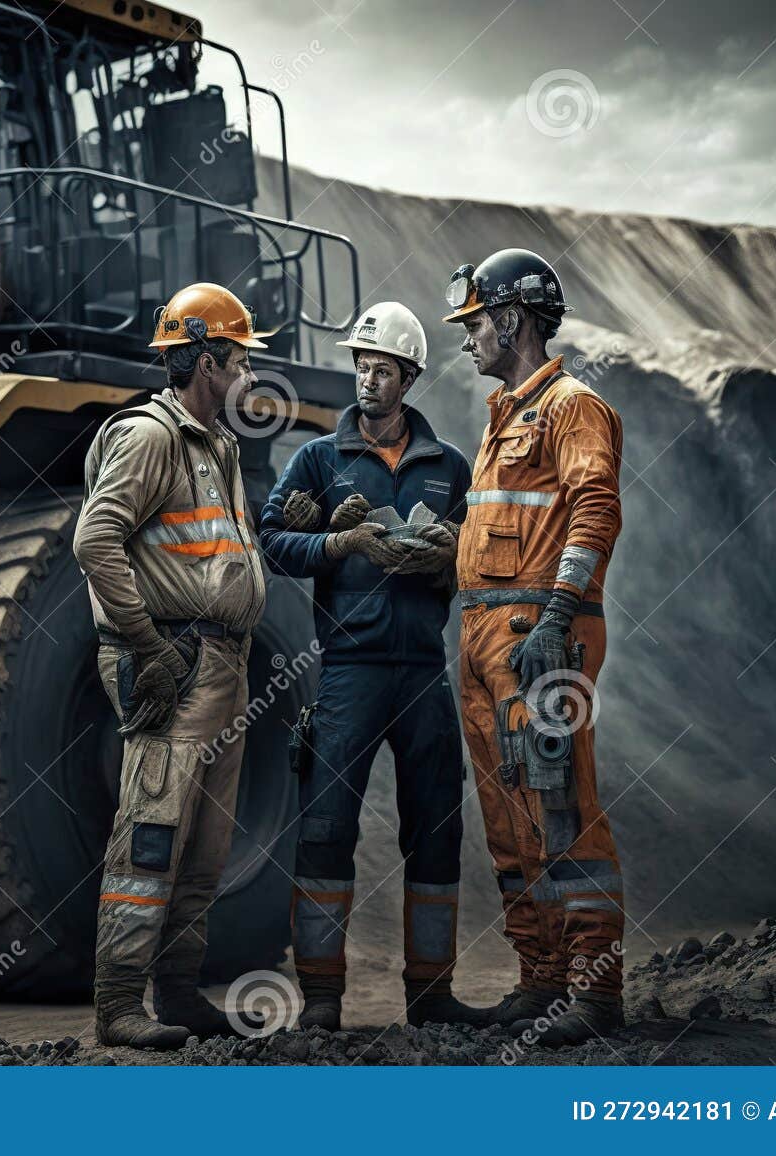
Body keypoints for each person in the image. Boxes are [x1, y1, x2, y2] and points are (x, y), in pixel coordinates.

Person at [259, 301, 485, 1030]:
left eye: (381, 370)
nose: (367, 382)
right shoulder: (318, 461)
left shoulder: (449, 467)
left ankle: (432, 995)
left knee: (437, 827)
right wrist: (338, 544)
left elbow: (484, 555)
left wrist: (451, 554)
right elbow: (271, 541)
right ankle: (322, 999)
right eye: (361, 367)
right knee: (326, 826)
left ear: (409, 377)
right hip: (349, 670)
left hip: (422, 672)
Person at [73, 282, 269, 1049]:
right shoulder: (150, 438)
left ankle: (180, 993)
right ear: (207, 361)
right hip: (175, 664)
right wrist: (148, 649)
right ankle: (119, 1004)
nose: (247, 372)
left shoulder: (215, 444)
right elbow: (95, 540)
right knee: (150, 837)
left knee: (205, 844)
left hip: (221, 666)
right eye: (239, 359)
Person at [441, 248, 626, 1044]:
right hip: (485, 637)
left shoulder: (572, 407)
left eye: (477, 323)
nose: (468, 338)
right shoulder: (506, 416)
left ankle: (594, 991)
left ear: (513, 320)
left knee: (560, 808)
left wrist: (556, 616)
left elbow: (595, 507)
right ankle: (542, 976)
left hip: (539, 637)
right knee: (508, 814)